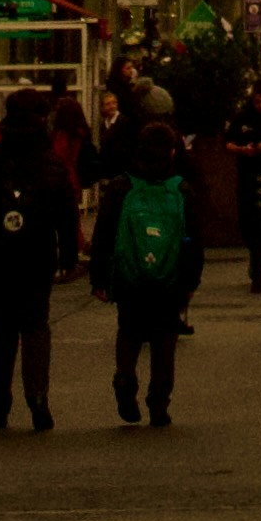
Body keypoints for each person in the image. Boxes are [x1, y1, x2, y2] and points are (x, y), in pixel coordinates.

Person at [0, 87, 78, 430]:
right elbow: (66, 213)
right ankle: (37, 398)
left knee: (1, 331)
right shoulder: (50, 162)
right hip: (36, 257)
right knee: (36, 327)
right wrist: (68, 254)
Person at [87, 94, 204, 425]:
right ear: (171, 153)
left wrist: (99, 278)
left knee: (130, 330)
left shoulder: (123, 187)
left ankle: (125, 379)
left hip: (129, 276)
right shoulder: (182, 191)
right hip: (170, 280)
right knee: (165, 336)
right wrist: (191, 281)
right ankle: (158, 401)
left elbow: (104, 235)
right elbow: (192, 240)